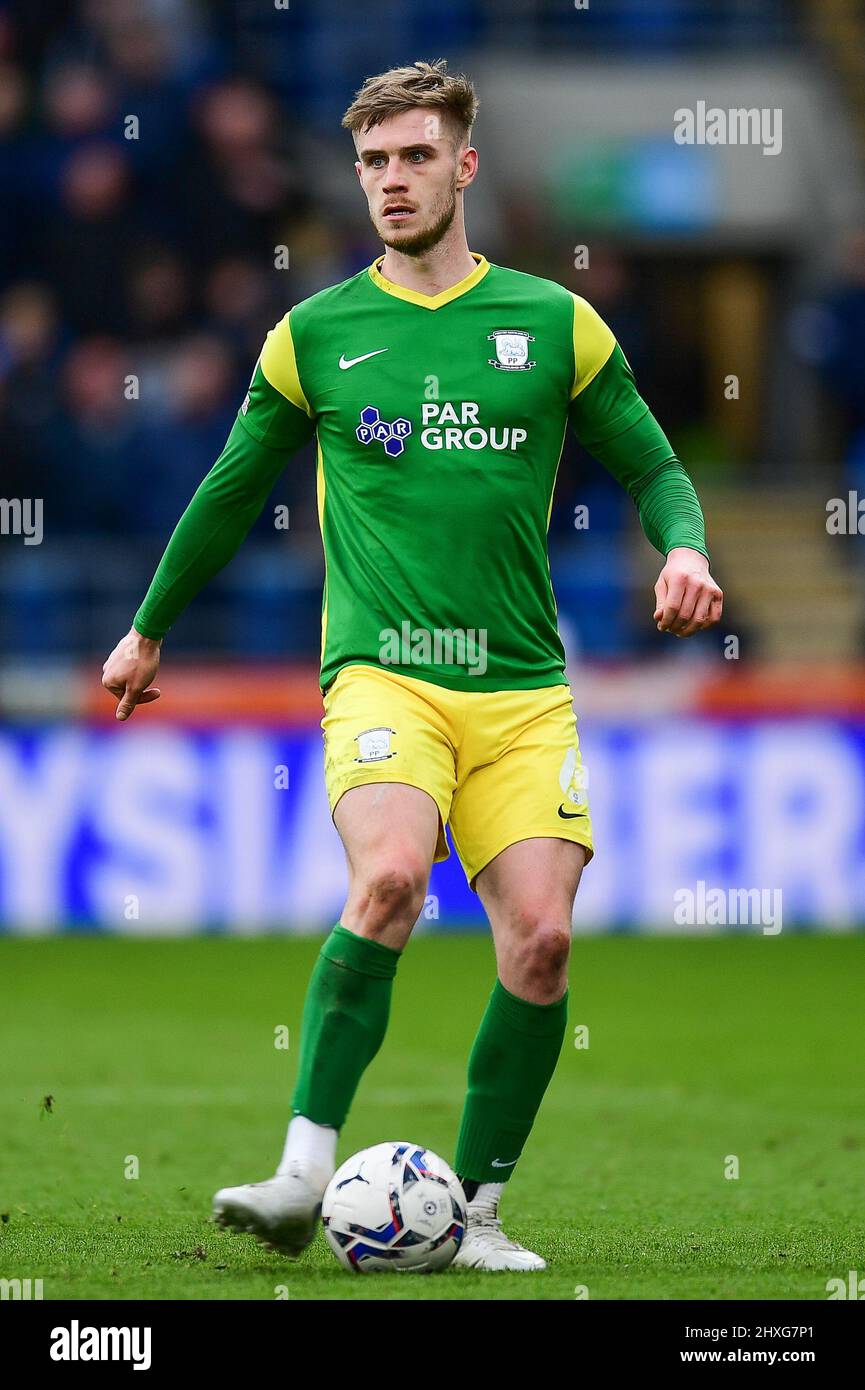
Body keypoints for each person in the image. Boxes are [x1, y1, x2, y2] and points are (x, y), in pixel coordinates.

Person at [101, 59, 723, 1271]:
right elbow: (228, 495)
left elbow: (652, 463)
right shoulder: (315, 335)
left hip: (523, 690)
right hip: (383, 671)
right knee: (387, 878)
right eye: (375, 161)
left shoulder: (554, 323)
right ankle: (299, 1171)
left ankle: (479, 1216)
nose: (393, 180)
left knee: (539, 942)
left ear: (462, 165)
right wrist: (148, 624)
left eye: (415, 157)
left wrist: (686, 546)